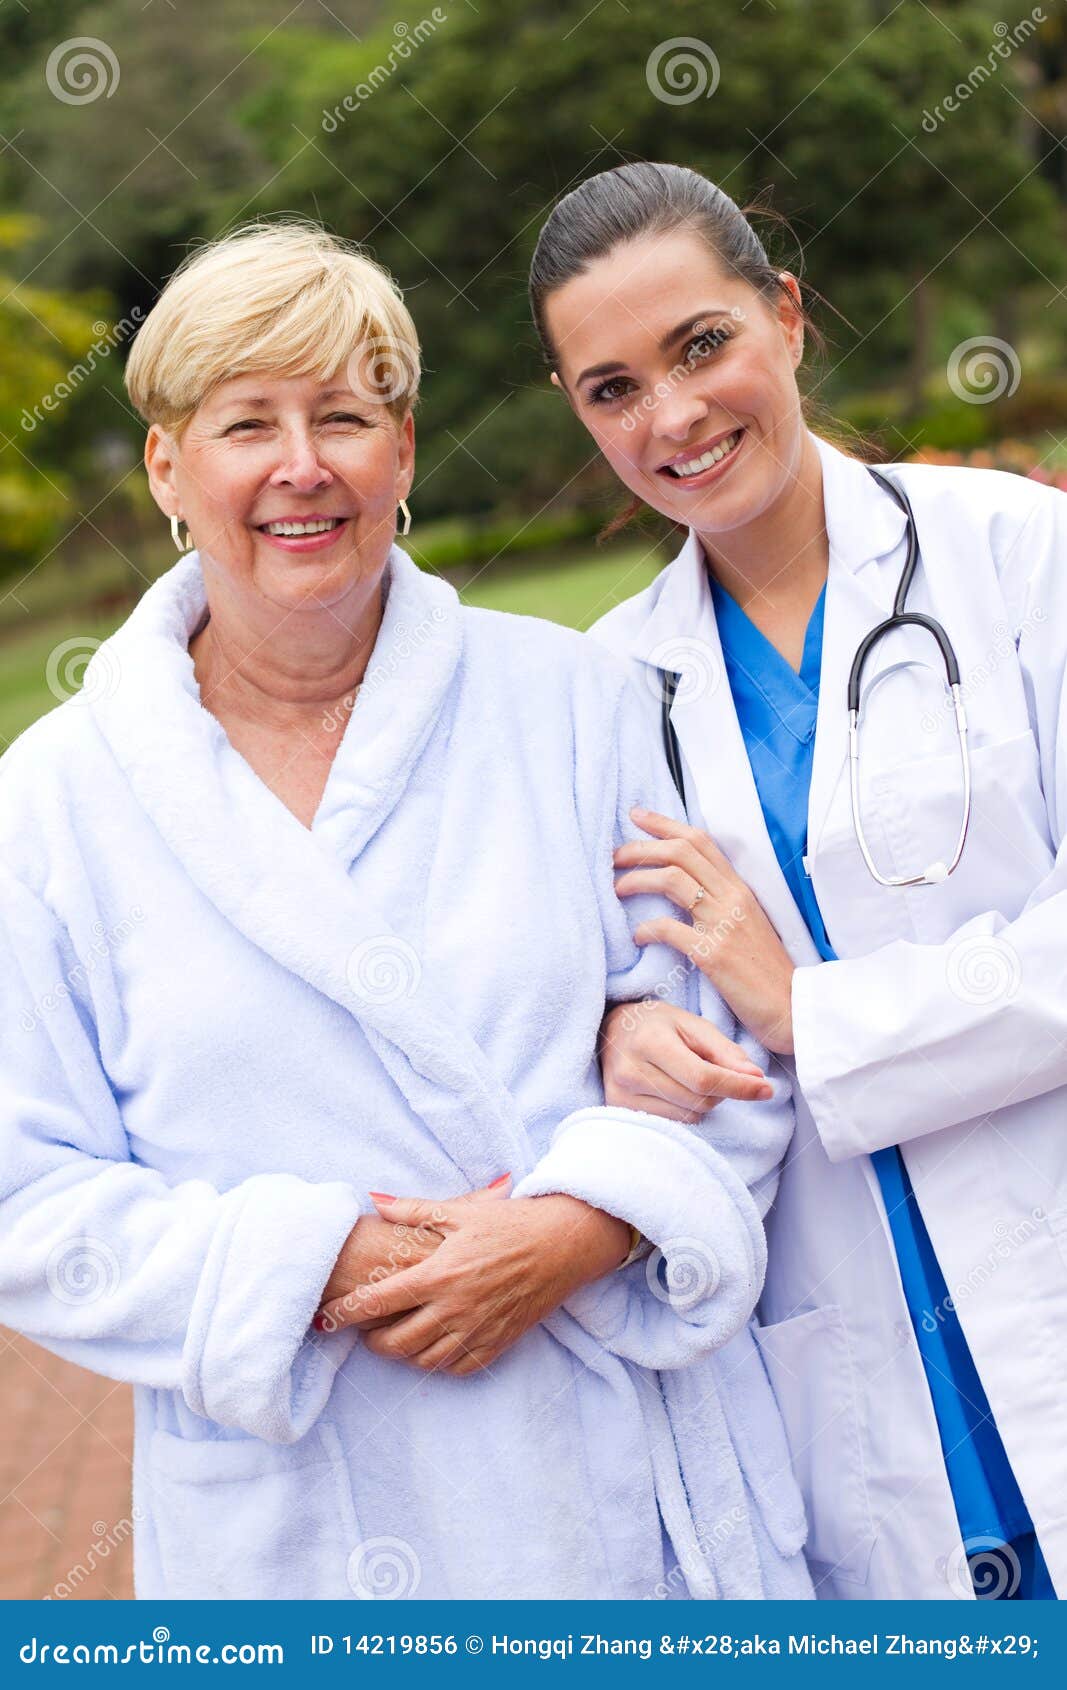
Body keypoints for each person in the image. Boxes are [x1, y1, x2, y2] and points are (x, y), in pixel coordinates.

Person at [0, 221, 812, 1601]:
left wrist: (583, 1229)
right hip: (305, 1532)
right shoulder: (49, 807)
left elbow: (729, 1066)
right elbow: (26, 1198)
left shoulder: (576, 704)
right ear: (168, 469)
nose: (302, 466)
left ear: (407, 452)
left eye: (346, 417)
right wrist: (323, 1262)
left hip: (613, 1499)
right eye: (247, 423)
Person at [529, 161, 1066, 1601]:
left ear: (786, 314)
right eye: (613, 388)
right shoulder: (610, 696)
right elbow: (590, 989)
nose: (674, 417)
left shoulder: (1019, 560)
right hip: (858, 1389)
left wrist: (806, 1008)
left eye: (702, 344)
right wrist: (615, 1033)